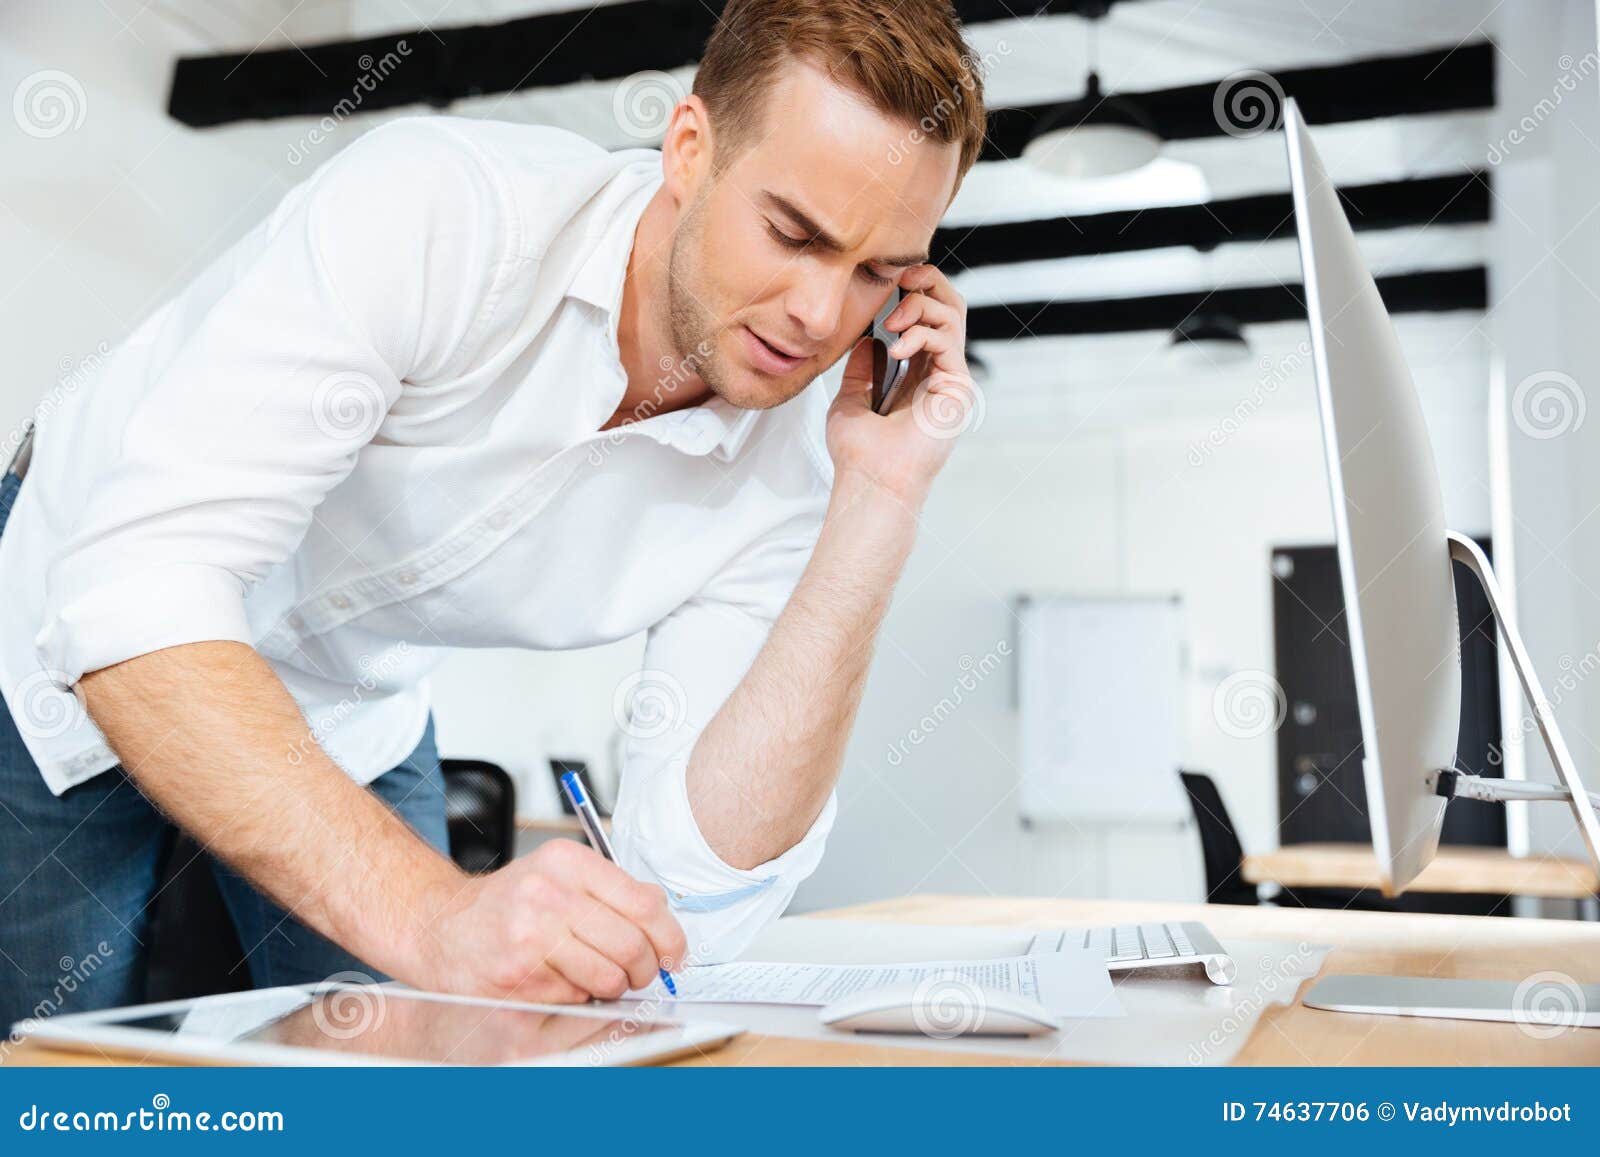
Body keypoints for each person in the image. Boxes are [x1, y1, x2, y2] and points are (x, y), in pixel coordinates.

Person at [0, 0, 987, 1026]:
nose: (821, 316)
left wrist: (879, 500)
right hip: (63, 628)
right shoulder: (439, 209)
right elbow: (136, 595)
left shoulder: (803, 450)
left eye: (877, 270)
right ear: (688, 149)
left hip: (350, 699)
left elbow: (693, 881)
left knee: (420, 1059)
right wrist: (432, 914)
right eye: (792, 234)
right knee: (54, 1046)